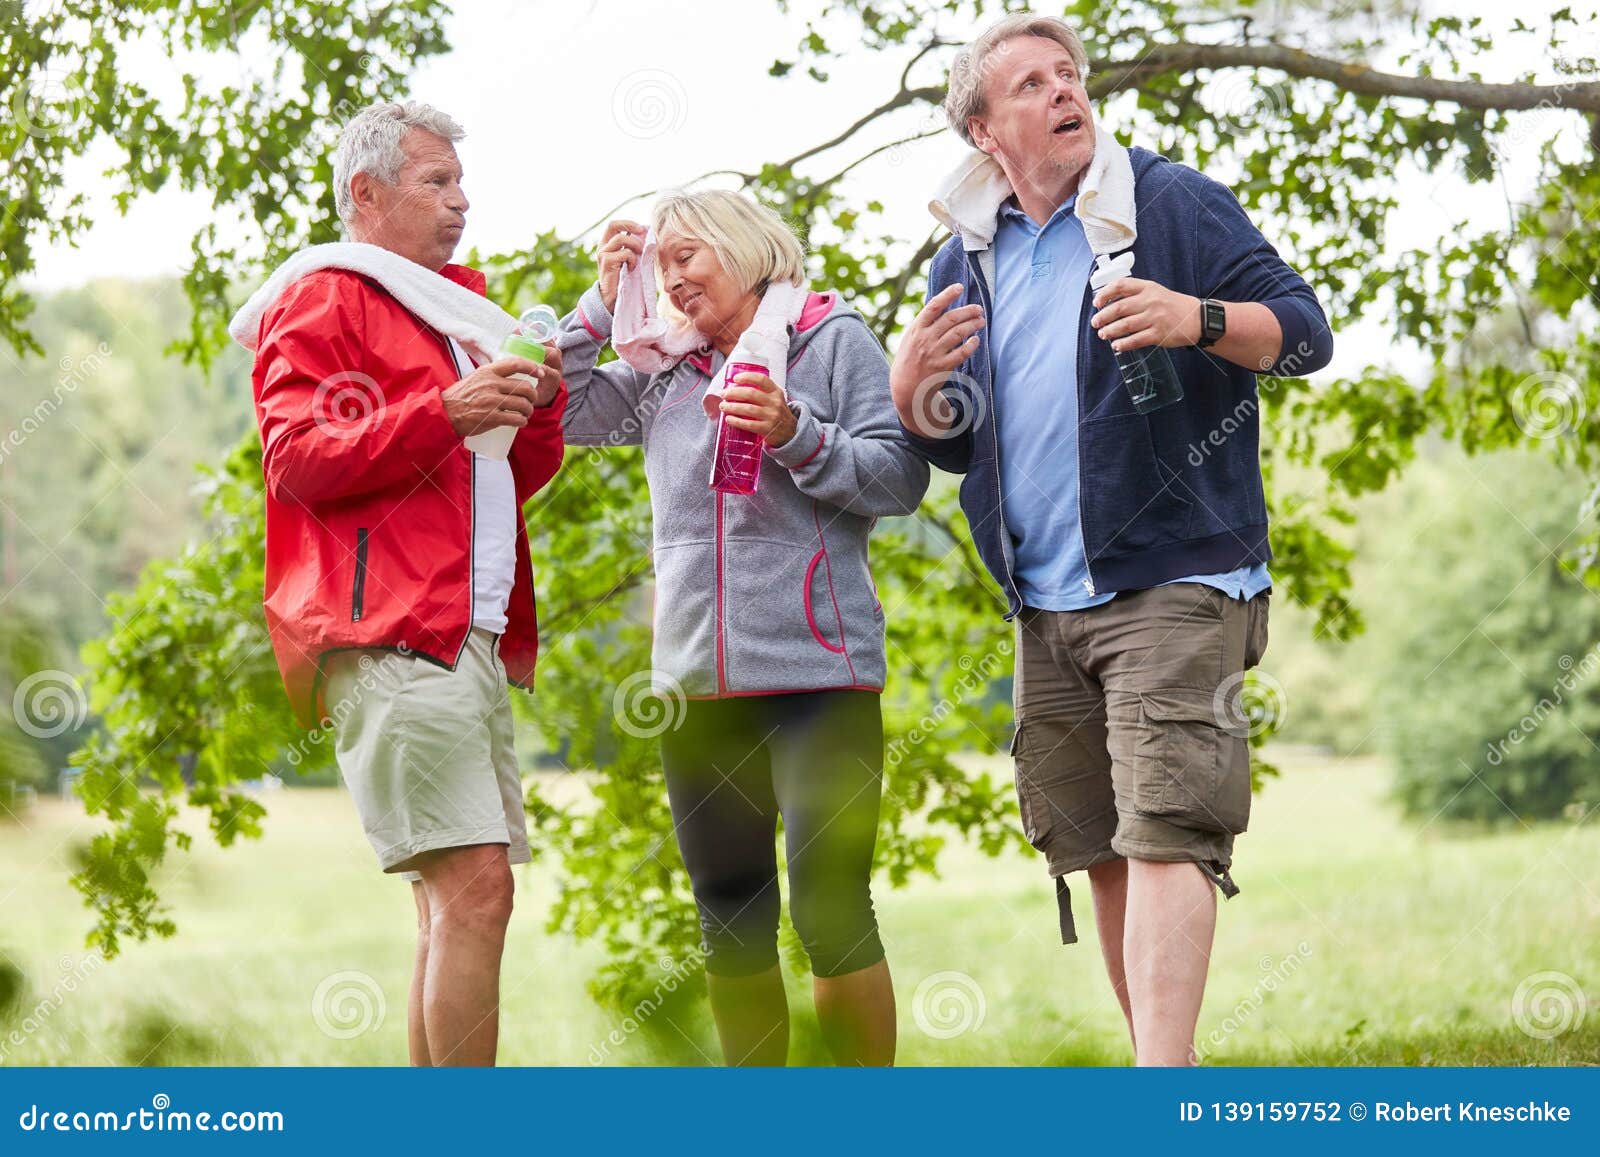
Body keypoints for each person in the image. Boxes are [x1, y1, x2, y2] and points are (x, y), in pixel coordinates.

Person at [890, 14, 1333, 1065]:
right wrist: (912, 397)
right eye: (1032, 85)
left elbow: (1305, 333)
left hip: (1174, 576)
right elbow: (960, 449)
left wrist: (1195, 318)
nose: (1062, 93)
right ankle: (1161, 1087)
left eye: (1068, 75)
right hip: (1043, 601)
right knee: (1094, 843)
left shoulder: (1167, 202)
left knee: (1168, 825)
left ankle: (1157, 1091)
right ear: (982, 128)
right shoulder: (966, 256)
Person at [556, 189, 929, 1065]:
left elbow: (899, 479)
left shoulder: (832, 340)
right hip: (697, 690)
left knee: (831, 906)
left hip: (818, 680)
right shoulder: (660, 364)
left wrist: (797, 432)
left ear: (744, 246)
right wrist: (600, 302)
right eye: (659, 263)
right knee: (729, 913)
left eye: (688, 256)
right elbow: (567, 413)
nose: (672, 278)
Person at [240, 101, 566, 1065]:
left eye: (462, 181)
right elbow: (295, 460)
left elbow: (509, 467)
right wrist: (443, 412)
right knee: (475, 890)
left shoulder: (456, 311)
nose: (462, 202)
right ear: (366, 193)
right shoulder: (325, 297)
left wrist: (529, 403)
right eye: (437, 182)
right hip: (389, 632)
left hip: (466, 630)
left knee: (452, 902)